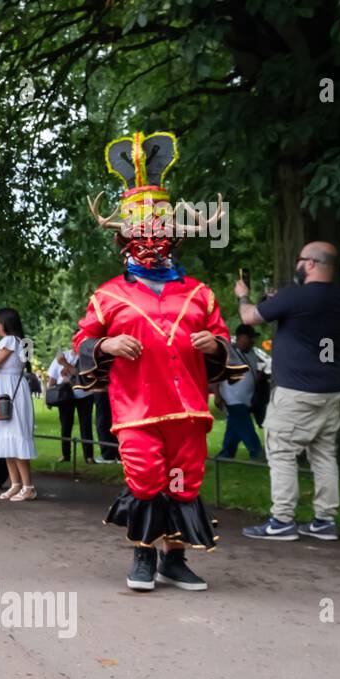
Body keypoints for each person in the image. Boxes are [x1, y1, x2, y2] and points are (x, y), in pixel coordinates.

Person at [75, 130, 244, 592]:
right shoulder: (108, 294)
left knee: (185, 481)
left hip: (188, 406)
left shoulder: (199, 292)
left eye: (159, 229)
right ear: (125, 237)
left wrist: (215, 344)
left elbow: (226, 342)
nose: (151, 238)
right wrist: (105, 346)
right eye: (141, 231)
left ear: (173, 234)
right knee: (147, 477)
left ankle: (175, 559)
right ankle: (143, 559)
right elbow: (82, 344)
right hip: (136, 407)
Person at [236, 243, 340, 541]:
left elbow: (250, 317)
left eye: (300, 259)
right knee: (325, 454)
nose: (297, 264)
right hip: (331, 390)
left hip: (296, 392)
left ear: (311, 263)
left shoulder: (296, 296)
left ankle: (282, 520)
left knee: (281, 450)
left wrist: (243, 296)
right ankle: (325, 520)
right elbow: (316, 332)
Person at [0, 308, 38, 501]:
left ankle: (28, 486)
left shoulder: (10, 341)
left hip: (10, 392)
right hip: (8, 390)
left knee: (16, 435)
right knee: (7, 437)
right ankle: (16, 484)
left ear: (6, 323)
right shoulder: (19, 341)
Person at [215, 324, 264, 461]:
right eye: (251, 338)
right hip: (232, 398)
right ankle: (256, 451)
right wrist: (217, 395)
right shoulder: (228, 352)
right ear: (242, 337)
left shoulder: (252, 354)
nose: (253, 341)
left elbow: (254, 371)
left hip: (247, 398)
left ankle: (227, 453)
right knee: (245, 425)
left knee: (234, 425)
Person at [47, 347, 96, 463]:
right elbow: (53, 377)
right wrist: (48, 396)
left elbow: (80, 374)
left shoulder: (87, 357)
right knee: (65, 425)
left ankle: (89, 456)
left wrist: (65, 364)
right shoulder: (62, 355)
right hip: (65, 396)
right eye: (74, 340)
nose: (76, 344)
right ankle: (65, 455)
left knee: (86, 426)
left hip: (85, 395)